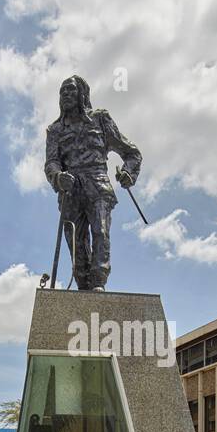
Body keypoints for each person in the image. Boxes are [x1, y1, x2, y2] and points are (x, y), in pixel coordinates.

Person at [44, 74, 143, 291]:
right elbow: (51, 163)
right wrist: (58, 177)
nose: (65, 95)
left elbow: (132, 152)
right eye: (62, 92)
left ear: (82, 94)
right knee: (75, 242)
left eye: (70, 90)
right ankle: (82, 284)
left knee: (101, 231)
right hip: (70, 190)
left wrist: (128, 173)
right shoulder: (54, 130)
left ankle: (99, 281)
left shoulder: (100, 119)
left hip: (97, 182)